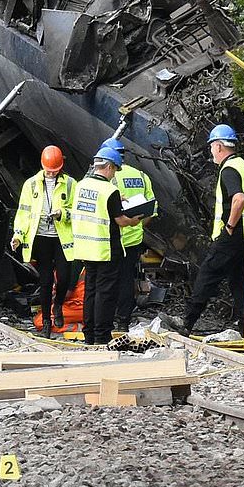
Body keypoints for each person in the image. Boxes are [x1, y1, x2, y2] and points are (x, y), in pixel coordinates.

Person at [167, 124, 244, 344]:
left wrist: (229, 226)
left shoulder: (230, 169)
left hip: (235, 233)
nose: (211, 151)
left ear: (219, 146)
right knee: (240, 281)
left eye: (212, 146)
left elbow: (239, 199)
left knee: (208, 273)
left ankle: (187, 322)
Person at [67, 144, 144, 347]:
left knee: (90, 291)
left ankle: (89, 335)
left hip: (85, 247)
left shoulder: (81, 185)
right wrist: (134, 220)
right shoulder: (109, 190)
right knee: (105, 293)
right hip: (106, 248)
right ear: (109, 167)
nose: (114, 175)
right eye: (115, 170)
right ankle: (102, 336)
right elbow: (120, 220)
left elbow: (95, 207)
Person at [10, 146, 75, 335]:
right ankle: (47, 320)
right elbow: (24, 213)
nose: (51, 173)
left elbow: (77, 210)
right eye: (49, 170)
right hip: (41, 238)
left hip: (62, 238)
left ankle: (59, 304)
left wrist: (62, 213)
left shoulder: (70, 184)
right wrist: (18, 235)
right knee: (45, 281)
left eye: (54, 171)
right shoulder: (31, 185)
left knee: (64, 277)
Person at [99, 138, 158, 340]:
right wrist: (138, 224)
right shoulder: (141, 176)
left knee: (107, 280)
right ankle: (124, 320)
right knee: (126, 280)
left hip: (112, 238)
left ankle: (108, 318)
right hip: (134, 239)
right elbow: (152, 208)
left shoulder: (108, 177)